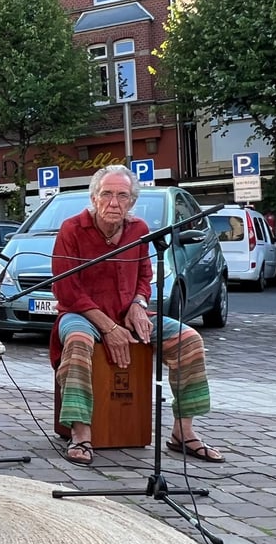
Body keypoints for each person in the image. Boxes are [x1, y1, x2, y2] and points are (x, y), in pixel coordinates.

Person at [50, 164, 224, 466]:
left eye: (122, 195)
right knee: (78, 341)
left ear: (132, 201)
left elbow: (145, 274)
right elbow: (66, 289)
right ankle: (80, 432)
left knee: (189, 339)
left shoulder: (140, 230)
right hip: (81, 314)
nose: (114, 203)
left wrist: (139, 304)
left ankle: (183, 432)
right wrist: (108, 327)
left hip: (128, 314)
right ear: (93, 198)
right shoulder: (71, 229)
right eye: (106, 194)